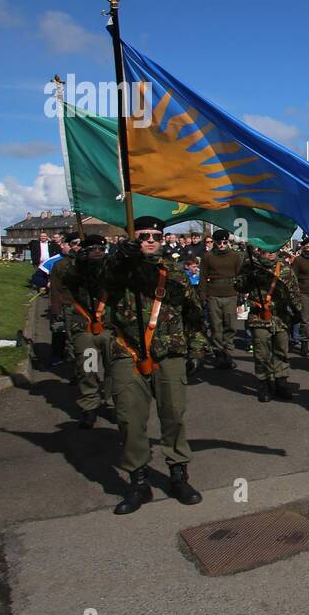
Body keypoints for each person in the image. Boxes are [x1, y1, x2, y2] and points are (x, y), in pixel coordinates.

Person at [101, 215, 207, 515]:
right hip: (128, 352)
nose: (150, 240)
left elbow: (194, 313)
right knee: (129, 419)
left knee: (173, 415)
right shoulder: (120, 269)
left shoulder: (175, 272)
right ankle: (138, 483)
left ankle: (178, 476)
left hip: (169, 353)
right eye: (144, 235)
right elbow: (104, 277)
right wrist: (121, 257)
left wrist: (198, 349)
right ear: (133, 238)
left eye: (156, 237)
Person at [236, 242, 301, 402]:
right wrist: (250, 276)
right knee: (262, 353)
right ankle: (264, 384)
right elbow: (238, 286)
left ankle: (281, 382)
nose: (271, 253)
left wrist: (298, 312)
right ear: (259, 251)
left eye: (273, 250)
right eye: (267, 250)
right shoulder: (251, 268)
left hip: (280, 317)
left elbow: (294, 292)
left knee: (281, 351)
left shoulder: (285, 270)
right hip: (259, 318)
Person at [62, 234, 114, 428]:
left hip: (110, 327)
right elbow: (67, 280)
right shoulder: (75, 267)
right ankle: (90, 405)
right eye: (93, 249)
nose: (98, 252)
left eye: (101, 249)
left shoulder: (111, 266)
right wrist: (81, 264)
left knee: (113, 369)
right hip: (85, 328)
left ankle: (112, 402)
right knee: (89, 368)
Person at [200, 229, 242, 369]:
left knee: (230, 325)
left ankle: (228, 354)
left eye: (225, 242)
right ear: (215, 243)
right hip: (213, 294)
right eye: (219, 242)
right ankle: (218, 353)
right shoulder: (208, 256)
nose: (222, 244)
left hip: (231, 293)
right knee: (215, 326)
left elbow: (240, 276)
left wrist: (241, 294)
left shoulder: (236, 256)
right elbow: (203, 277)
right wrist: (202, 295)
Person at [46, 236, 77, 366]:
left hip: (90, 311)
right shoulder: (59, 264)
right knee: (64, 335)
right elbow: (55, 289)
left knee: (86, 346)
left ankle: (85, 375)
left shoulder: (92, 263)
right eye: (74, 244)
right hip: (68, 306)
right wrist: (56, 308)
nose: (77, 247)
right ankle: (79, 373)